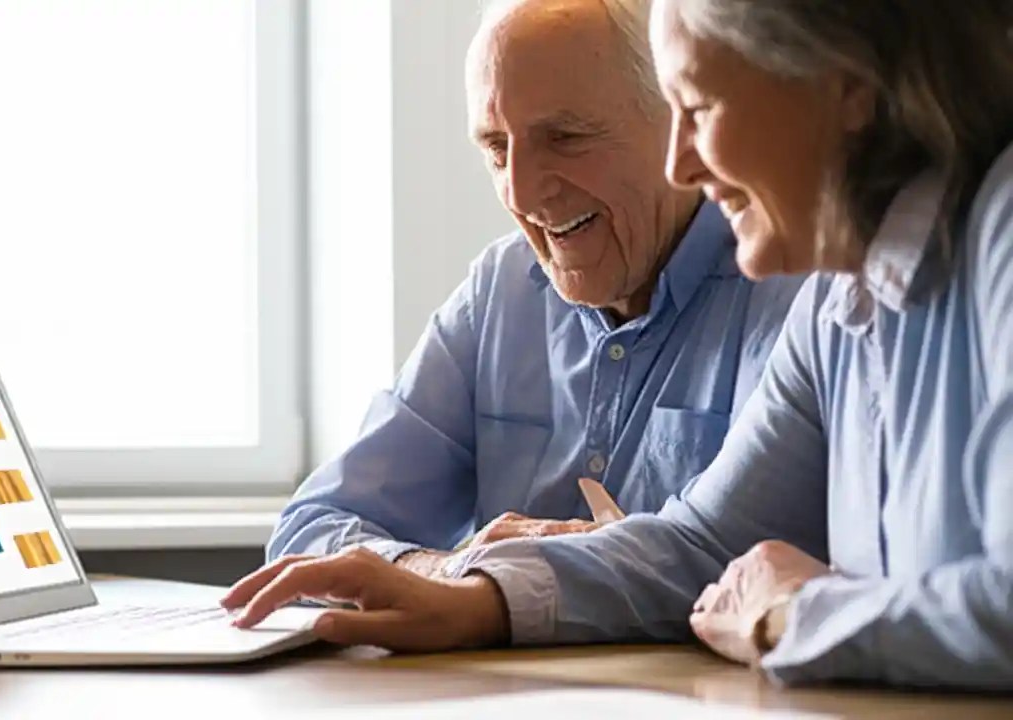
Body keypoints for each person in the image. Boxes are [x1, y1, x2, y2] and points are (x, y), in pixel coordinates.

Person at [225, 0, 1013, 690]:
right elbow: (704, 544)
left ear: (844, 85)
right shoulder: (840, 296)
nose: (684, 164)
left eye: (699, 108)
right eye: (495, 146)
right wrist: (476, 593)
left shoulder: (990, 235)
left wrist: (796, 614)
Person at [269, 0, 804, 579]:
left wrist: (537, 576)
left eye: (564, 137)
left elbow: (745, 561)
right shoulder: (500, 293)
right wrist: (447, 573)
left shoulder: (788, 288)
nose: (521, 194)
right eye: (496, 148)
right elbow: (313, 527)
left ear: (679, 121)